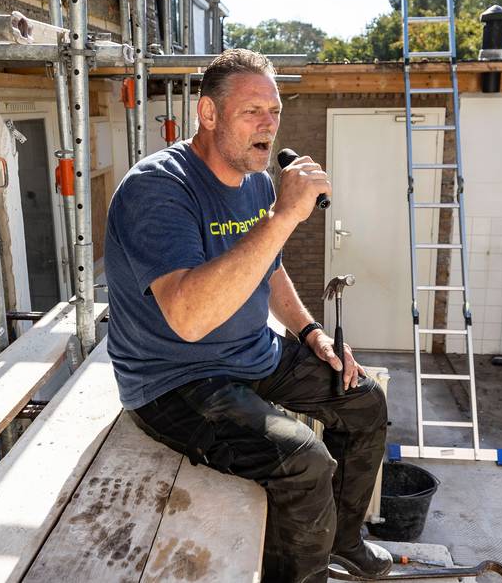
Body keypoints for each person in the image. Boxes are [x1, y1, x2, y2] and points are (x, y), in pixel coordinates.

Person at [104, 48, 391, 583]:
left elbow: (270, 270)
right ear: (208, 115)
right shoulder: (158, 190)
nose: (269, 124)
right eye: (252, 111)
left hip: (249, 351)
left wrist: (309, 331)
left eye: (275, 111)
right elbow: (188, 319)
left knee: (365, 402)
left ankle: (345, 540)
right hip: (174, 380)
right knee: (305, 463)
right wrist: (284, 216)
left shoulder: (258, 181)